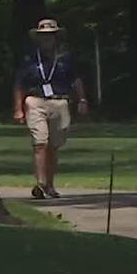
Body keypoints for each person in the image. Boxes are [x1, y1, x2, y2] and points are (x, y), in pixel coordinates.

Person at [12, 18, 90, 198]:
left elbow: (76, 80)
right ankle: (40, 183)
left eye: (50, 36)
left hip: (59, 102)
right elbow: (19, 84)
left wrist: (82, 100)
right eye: (43, 36)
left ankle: (50, 184)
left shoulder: (66, 58)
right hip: (35, 101)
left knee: (54, 146)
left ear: (56, 37)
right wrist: (18, 109)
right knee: (40, 143)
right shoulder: (29, 59)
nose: (46, 39)